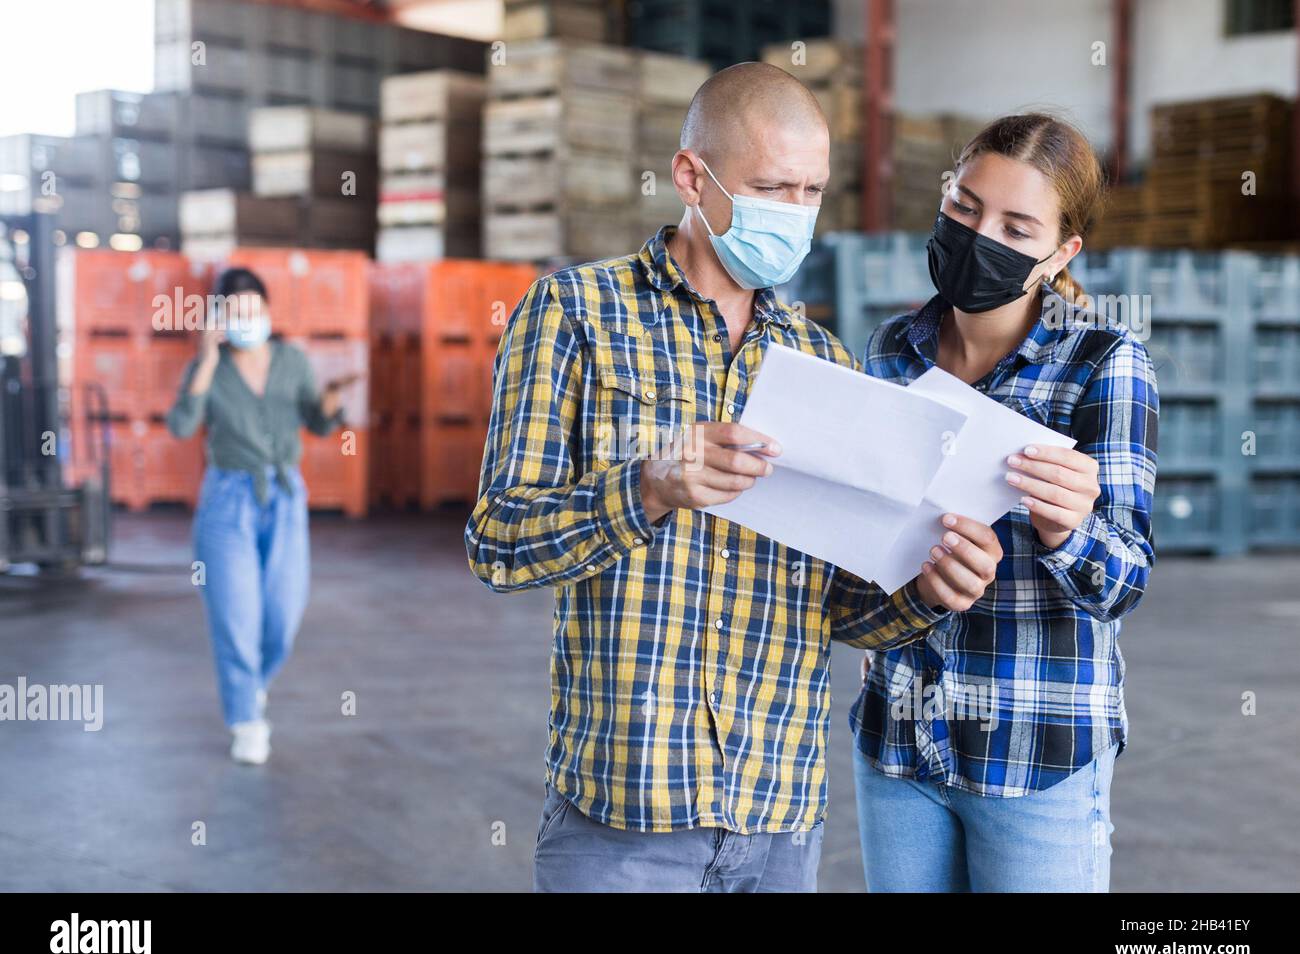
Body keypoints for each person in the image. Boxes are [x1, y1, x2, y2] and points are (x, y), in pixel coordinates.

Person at [465, 62, 1004, 893]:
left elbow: (834, 608)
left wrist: (929, 587)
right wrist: (645, 490)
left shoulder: (820, 360)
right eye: (770, 186)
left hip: (778, 819)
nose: (792, 213)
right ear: (692, 175)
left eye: (810, 190)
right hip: (625, 819)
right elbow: (499, 543)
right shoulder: (574, 313)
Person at [851, 113, 1159, 892]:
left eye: (1017, 227)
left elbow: (1123, 581)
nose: (981, 236)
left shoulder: (1102, 364)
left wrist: (1066, 530)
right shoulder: (890, 351)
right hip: (900, 744)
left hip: (1036, 754)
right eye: (964, 207)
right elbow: (856, 556)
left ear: (1060, 253)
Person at [166, 267, 359, 765]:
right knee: (235, 616)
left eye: (254, 308)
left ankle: (254, 685)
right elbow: (182, 425)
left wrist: (333, 399)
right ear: (218, 316)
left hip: (286, 496)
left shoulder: (292, 360)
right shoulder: (211, 366)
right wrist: (207, 357)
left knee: (282, 617)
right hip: (227, 501)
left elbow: (317, 421)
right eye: (235, 310)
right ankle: (246, 719)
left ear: (268, 312)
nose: (246, 318)